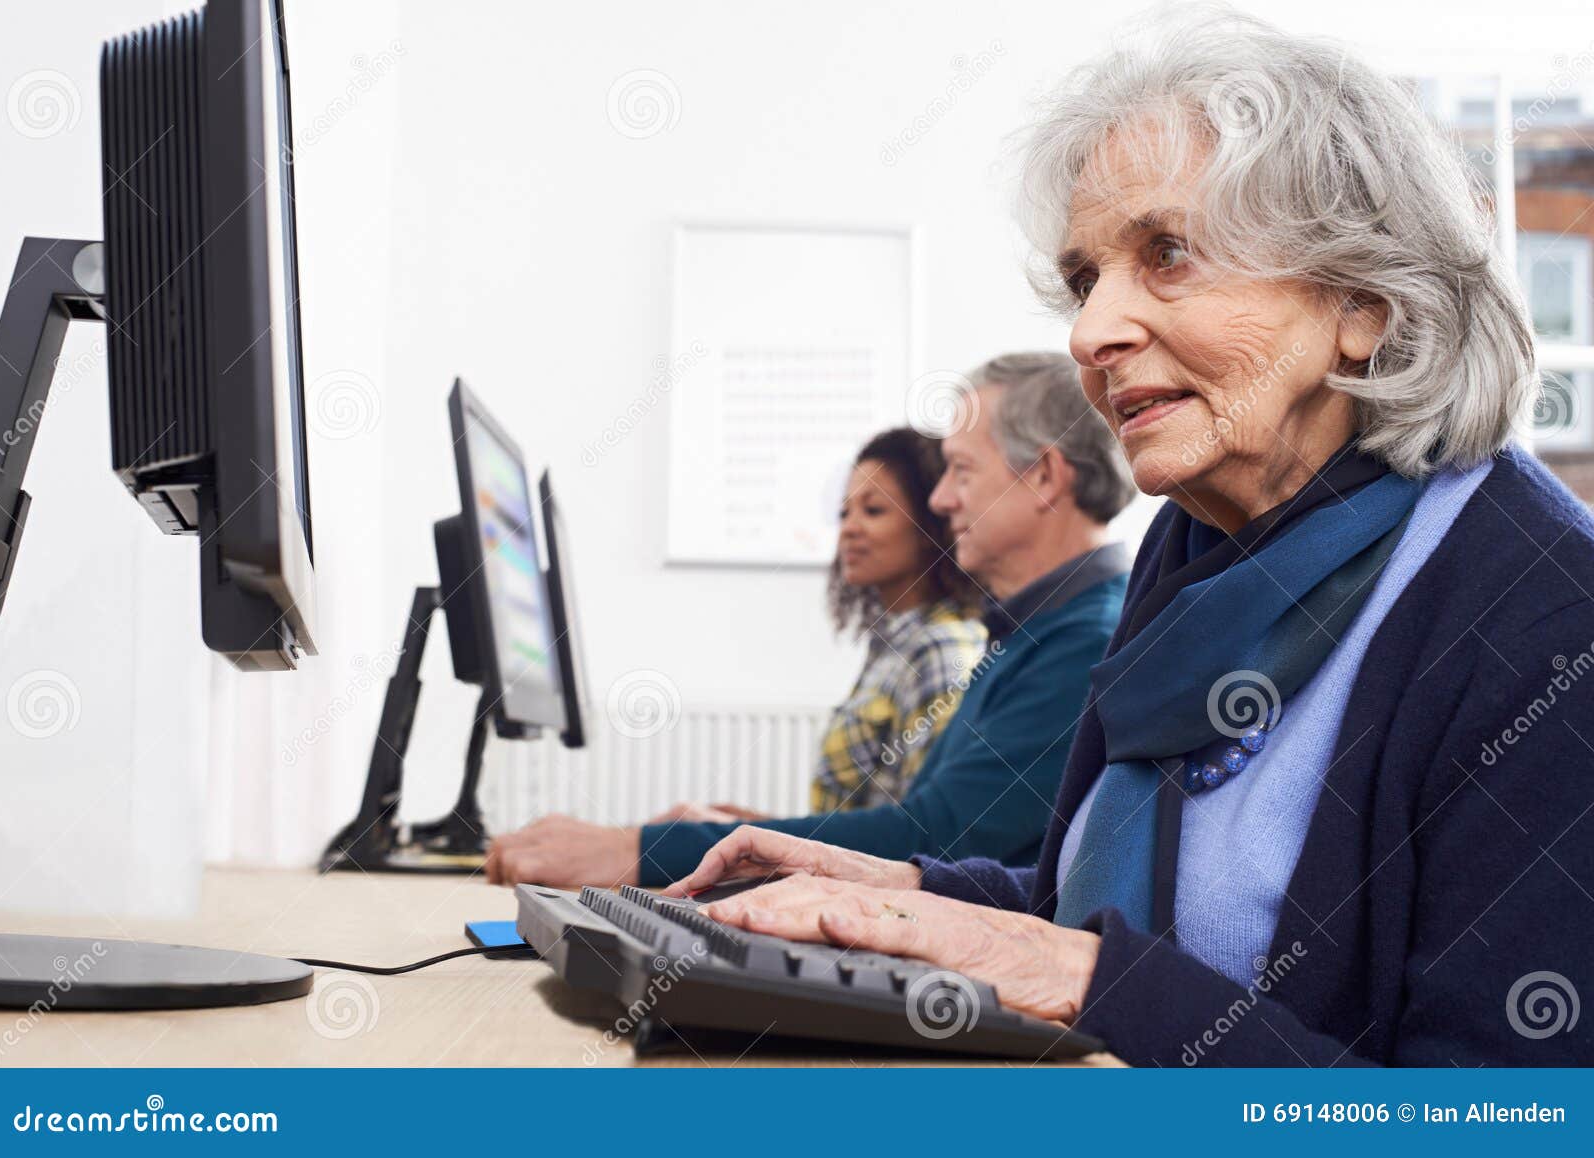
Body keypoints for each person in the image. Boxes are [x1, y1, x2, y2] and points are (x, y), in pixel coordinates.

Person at [672, 9, 1594, 1067]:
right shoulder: (1199, 543)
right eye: (1083, 279)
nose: (1087, 332)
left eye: (1168, 254)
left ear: (1364, 304)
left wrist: (1082, 983)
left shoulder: (1544, 621)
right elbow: (1120, 906)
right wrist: (916, 894)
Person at [484, 353, 1137, 888]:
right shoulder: (1036, 630)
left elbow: (932, 838)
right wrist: (747, 838)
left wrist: (637, 849)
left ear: (1045, 477)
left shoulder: (1086, 642)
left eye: (960, 470)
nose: (941, 499)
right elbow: (927, 830)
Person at [650, 427, 986, 826]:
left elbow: (910, 840)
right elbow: (864, 828)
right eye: (844, 513)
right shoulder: (895, 643)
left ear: (931, 527)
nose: (849, 527)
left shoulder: (938, 650)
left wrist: (752, 836)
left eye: (873, 510)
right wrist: (751, 827)